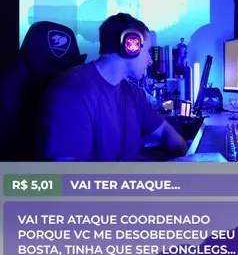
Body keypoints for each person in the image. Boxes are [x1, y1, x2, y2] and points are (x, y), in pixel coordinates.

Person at [38, 12, 188, 161]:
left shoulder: (134, 93)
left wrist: (184, 159)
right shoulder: (71, 95)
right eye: (147, 51)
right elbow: (69, 172)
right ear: (131, 46)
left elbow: (166, 133)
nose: (150, 61)